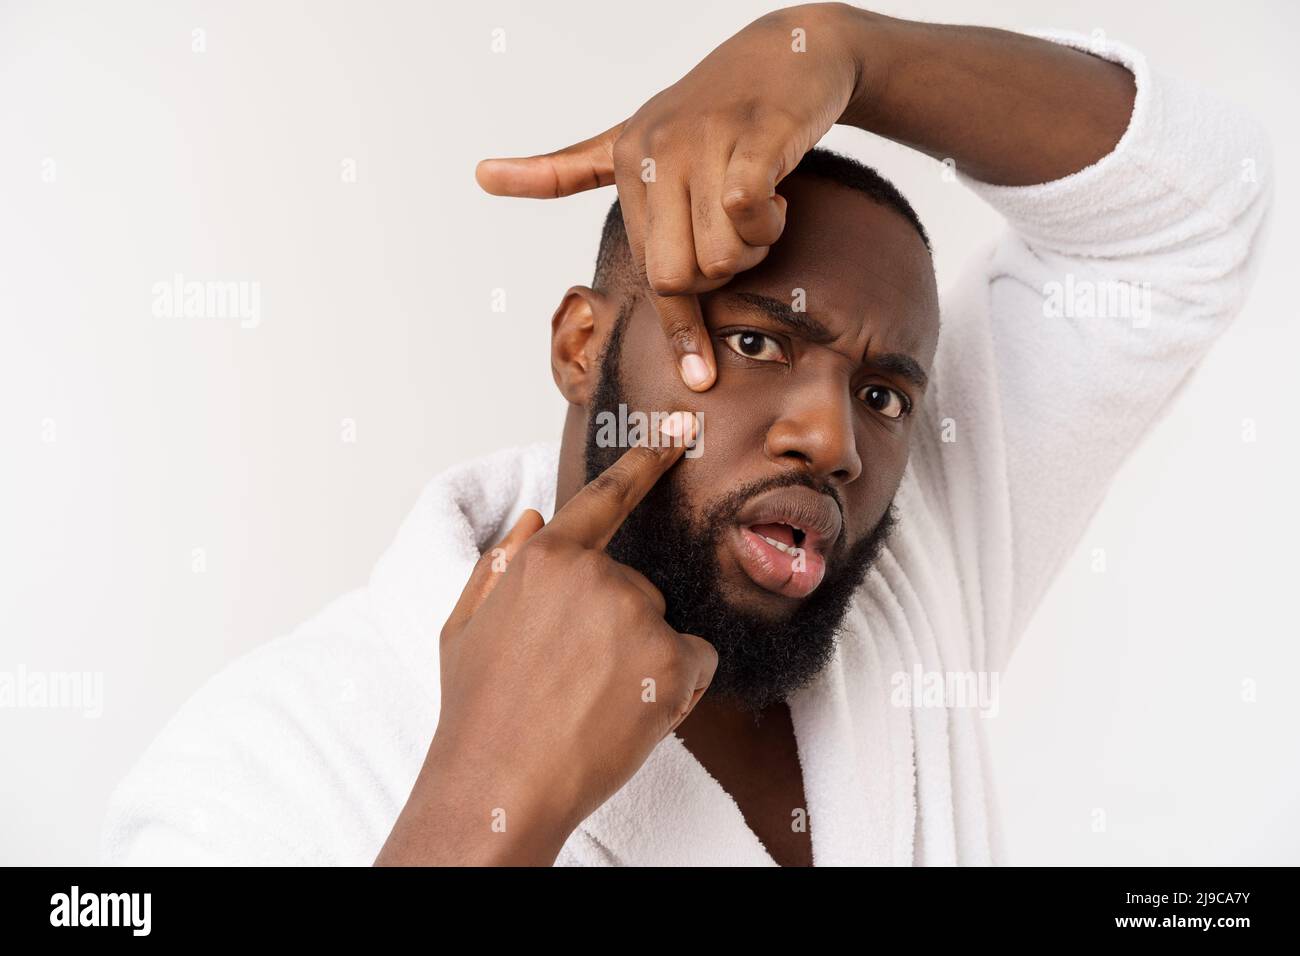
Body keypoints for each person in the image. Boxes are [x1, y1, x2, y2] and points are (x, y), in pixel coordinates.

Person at [102, 4, 1272, 867]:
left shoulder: (914, 576)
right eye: (757, 343)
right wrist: (484, 796)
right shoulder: (267, 761)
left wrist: (841, 51)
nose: (831, 437)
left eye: (884, 392)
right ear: (580, 345)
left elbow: (1189, 215)